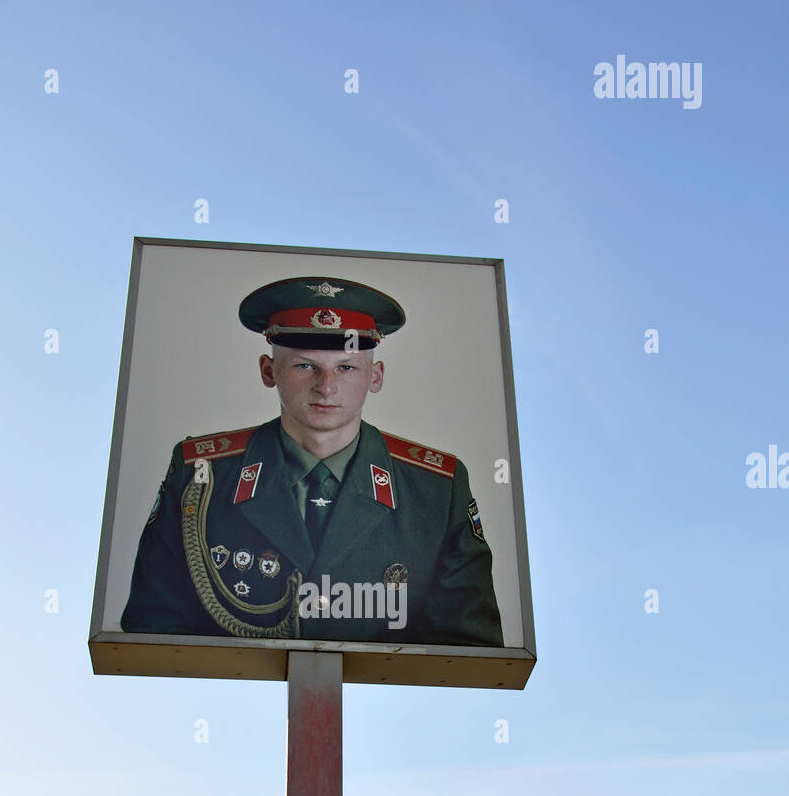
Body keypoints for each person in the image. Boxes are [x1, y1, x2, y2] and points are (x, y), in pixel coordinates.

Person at [120, 276, 503, 645]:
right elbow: (152, 633)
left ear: (376, 376)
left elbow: (470, 653)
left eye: (346, 367)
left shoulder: (436, 489)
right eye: (305, 366)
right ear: (269, 372)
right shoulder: (201, 475)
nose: (326, 387)